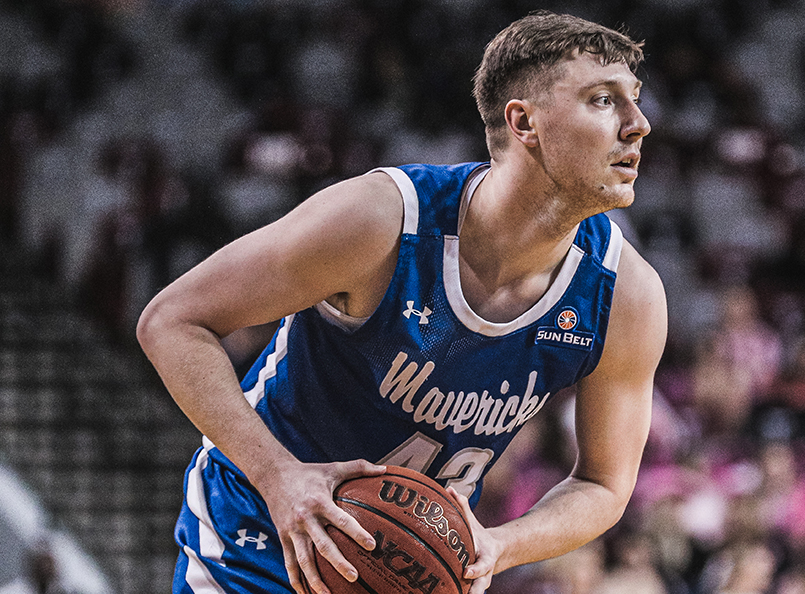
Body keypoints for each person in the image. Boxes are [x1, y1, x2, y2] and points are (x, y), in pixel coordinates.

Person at [136, 11, 667, 594]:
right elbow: (173, 321)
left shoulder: (626, 297)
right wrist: (277, 475)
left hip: (401, 570)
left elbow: (605, 485)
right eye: (602, 99)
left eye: (635, 100)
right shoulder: (383, 221)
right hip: (259, 538)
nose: (639, 124)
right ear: (524, 122)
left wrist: (498, 545)